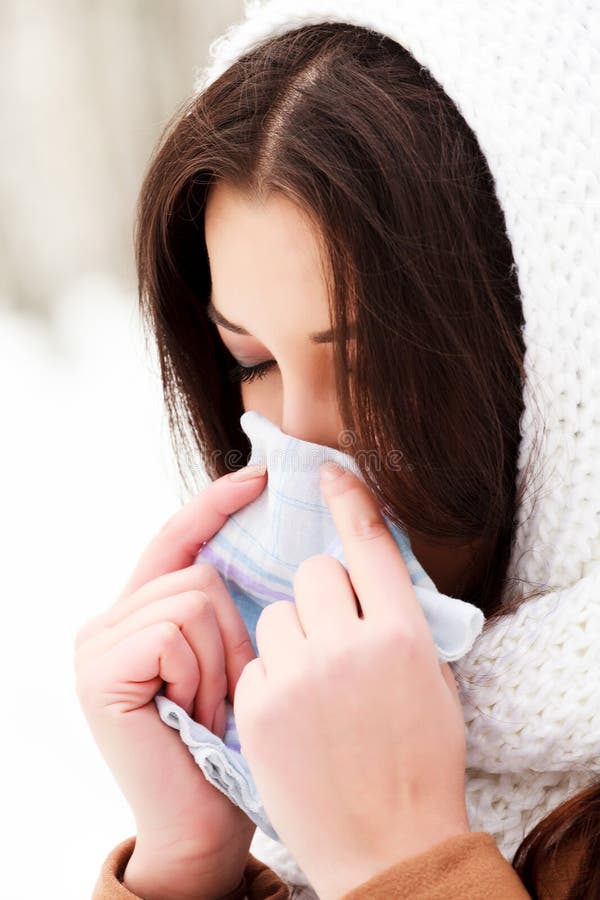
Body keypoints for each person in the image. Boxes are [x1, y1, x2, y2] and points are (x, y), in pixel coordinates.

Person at [75, 1, 599, 898]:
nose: (300, 446)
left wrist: (402, 858)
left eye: (375, 368)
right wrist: (190, 869)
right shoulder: (299, 767)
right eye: (251, 362)